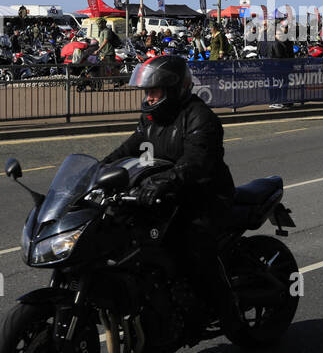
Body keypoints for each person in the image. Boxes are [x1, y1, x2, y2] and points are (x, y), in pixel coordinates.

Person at [100, 55, 240, 326]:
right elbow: (128, 149)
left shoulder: (199, 117)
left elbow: (196, 162)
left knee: (193, 247)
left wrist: (164, 181)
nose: (149, 98)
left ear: (174, 88)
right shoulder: (151, 120)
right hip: (165, 197)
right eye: (147, 92)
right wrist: (98, 170)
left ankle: (226, 310)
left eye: (153, 92)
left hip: (204, 198)